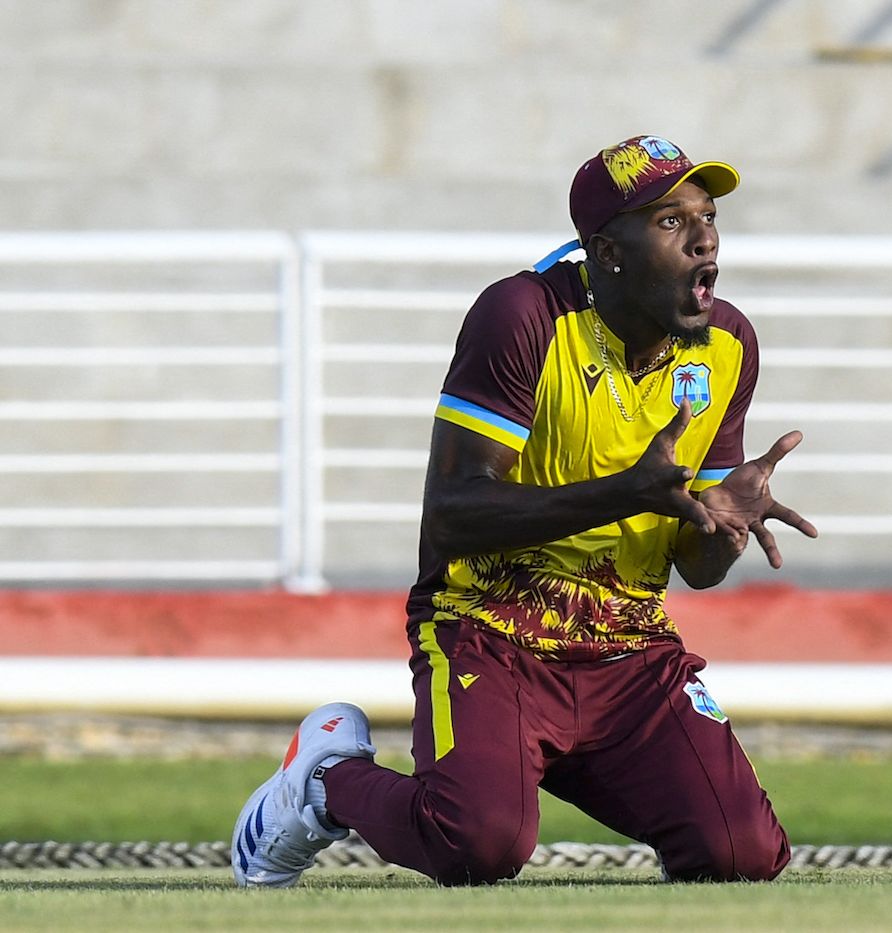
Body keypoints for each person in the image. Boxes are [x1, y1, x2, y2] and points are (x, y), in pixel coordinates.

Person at [232, 134, 818, 888]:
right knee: (477, 843)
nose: (705, 236)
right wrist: (623, 491)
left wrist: (723, 523)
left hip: (629, 650)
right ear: (608, 251)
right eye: (672, 221)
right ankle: (325, 779)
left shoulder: (728, 345)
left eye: (708, 217)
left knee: (741, 856)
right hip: (489, 632)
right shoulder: (523, 315)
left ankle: (507, 767)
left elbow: (696, 570)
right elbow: (452, 513)